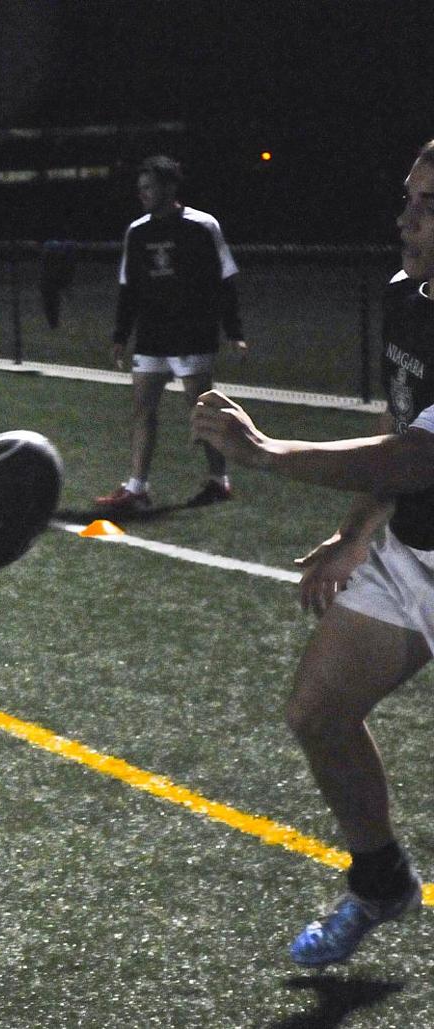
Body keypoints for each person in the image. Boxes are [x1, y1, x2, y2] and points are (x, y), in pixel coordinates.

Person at [189, 138, 434, 966]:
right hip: (415, 552)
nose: (407, 217)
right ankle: (381, 880)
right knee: (318, 713)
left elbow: (419, 458)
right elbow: (408, 438)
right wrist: (359, 530)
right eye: (409, 197)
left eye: (429, 205)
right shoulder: (408, 296)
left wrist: (267, 453)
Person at [96, 155, 249, 514]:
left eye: (150, 187)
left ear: (170, 187)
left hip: (191, 333)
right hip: (151, 336)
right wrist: (120, 335)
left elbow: (225, 281)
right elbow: (128, 287)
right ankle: (137, 487)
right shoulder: (137, 231)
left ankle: (218, 481)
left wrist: (234, 332)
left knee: (201, 411)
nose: (143, 195)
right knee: (142, 409)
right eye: (141, 189)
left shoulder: (202, 225)